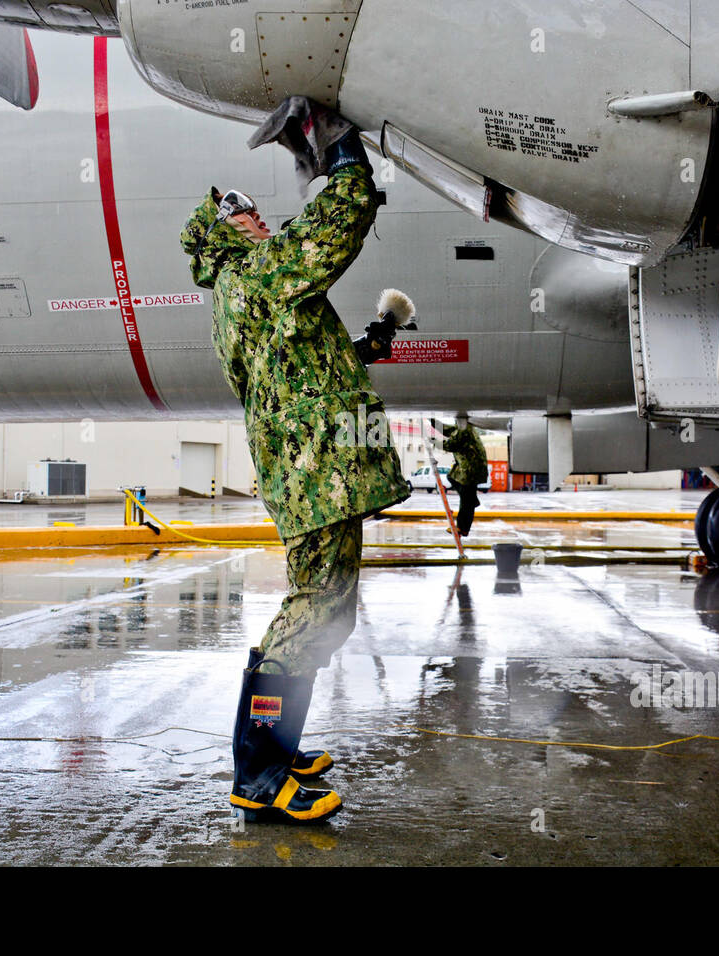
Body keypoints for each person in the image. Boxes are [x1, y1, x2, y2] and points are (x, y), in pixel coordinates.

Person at [180, 127, 410, 824]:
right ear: (220, 233)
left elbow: (301, 371)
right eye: (239, 209)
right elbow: (335, 226)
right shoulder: (252, 274)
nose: (255, 213)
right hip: (316, 475)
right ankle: (259, 770)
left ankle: (278, 744)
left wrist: (365, 345)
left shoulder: (247, 291)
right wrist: (344, 159)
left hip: (316, 470)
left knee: (327, 609)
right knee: (317, 606)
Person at [434, 415, 488, 536]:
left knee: (466, 501)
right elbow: (447, 429)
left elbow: (450, 445)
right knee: (451, 478)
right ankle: (473, 500)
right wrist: (431, 421)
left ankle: (463, 528)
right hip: (467, 469)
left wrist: (434, 441)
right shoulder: (462, 429)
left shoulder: (464, 432)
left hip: (470, 471)